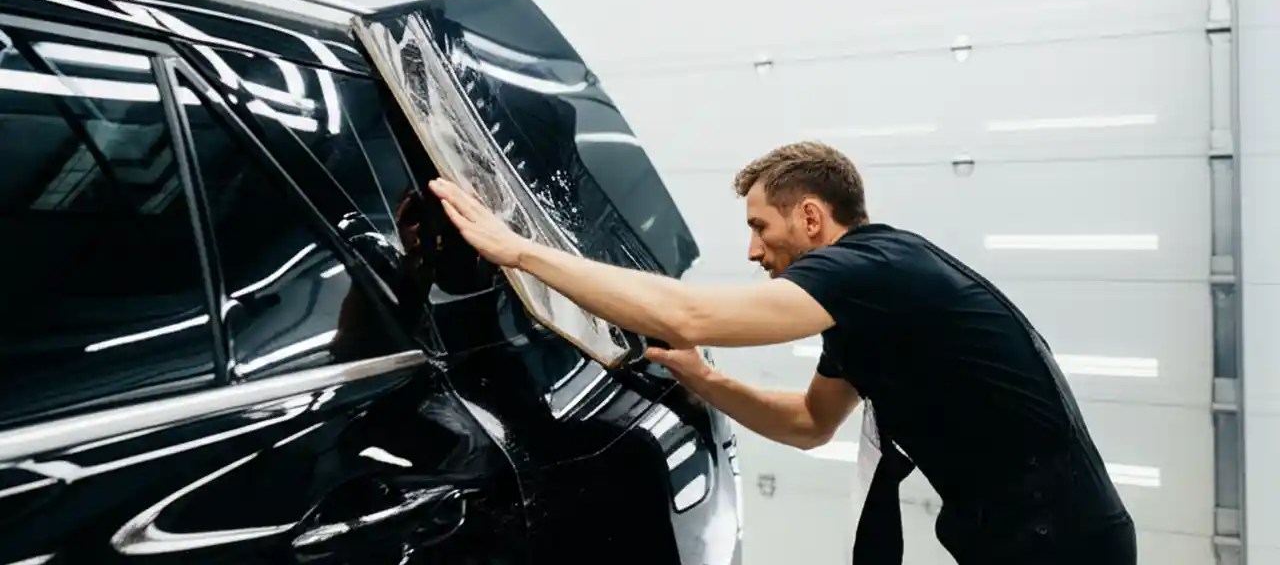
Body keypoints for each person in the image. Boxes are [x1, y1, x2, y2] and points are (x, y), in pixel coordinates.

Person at [428, 141, 1136, 565]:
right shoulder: (867, 302)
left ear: (810, 217)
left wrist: (516, 251)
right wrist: (703, 379)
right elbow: (809, 424)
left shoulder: (876, 268)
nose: (752, 248)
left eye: (760, 226)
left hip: (1058, 542)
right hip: (1019, 536)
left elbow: (693, 310)